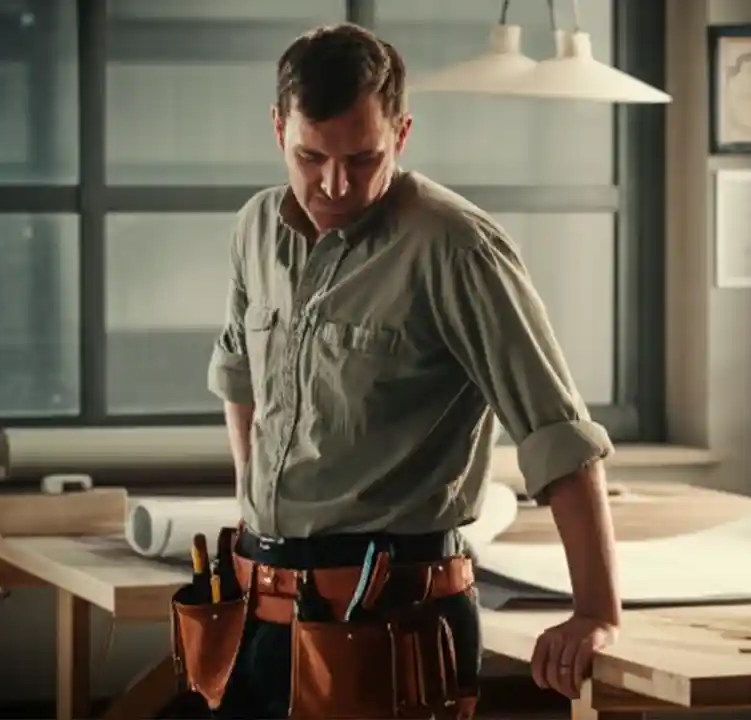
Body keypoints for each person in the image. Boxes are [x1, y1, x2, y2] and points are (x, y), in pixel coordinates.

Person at [204, 22, 621, 718]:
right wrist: (252, 502)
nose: (334, 184)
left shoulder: (456, 248)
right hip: (262, 612)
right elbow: (238, 371)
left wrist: (596, 610)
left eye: (363, 159)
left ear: (401, 133)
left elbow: (558, 436)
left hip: (391, 622)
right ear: (278, 128)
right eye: (310, 157)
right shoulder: (255, 228)